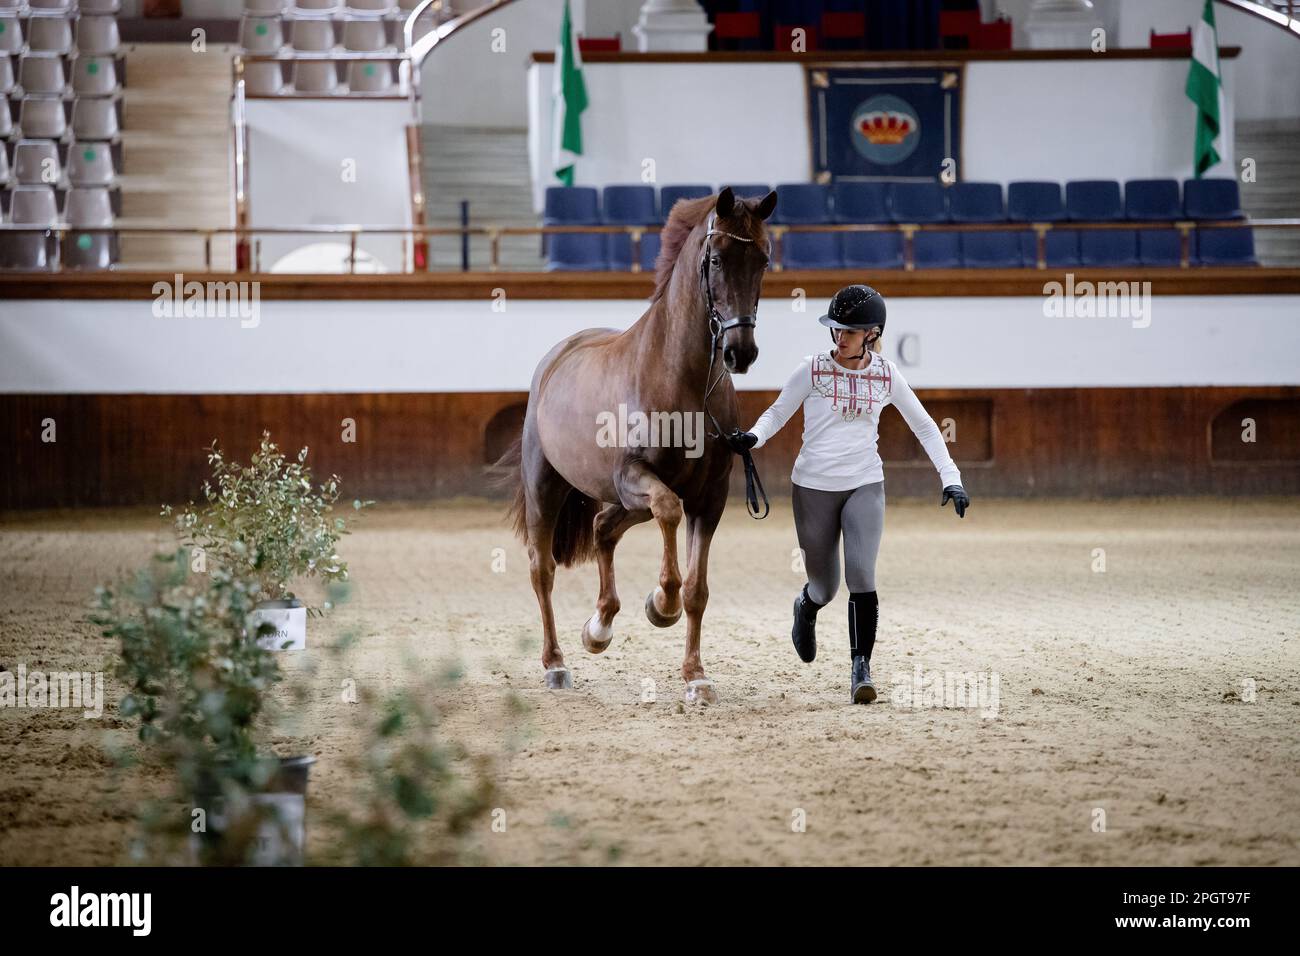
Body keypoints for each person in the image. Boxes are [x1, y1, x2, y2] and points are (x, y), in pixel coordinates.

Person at [726, 284, 970, 704]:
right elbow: (778, 412)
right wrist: (754, 437)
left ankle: (861, 668)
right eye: (837, 330)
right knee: (826, 586)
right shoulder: (813, 370)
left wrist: (951, 477)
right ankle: (807, 605)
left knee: (861, 575)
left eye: (851, 332)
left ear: (872, 334)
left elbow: (926, 426)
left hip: (864, 484)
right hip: (813, 487)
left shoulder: (887, 375)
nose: (841, 337)